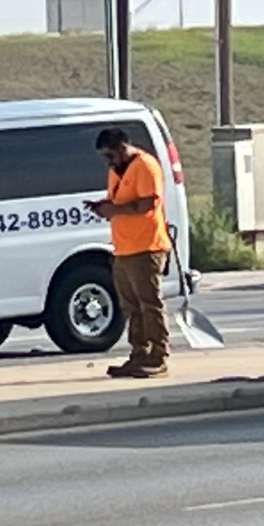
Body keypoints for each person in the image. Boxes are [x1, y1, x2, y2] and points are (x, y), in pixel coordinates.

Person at [87, 127, 173, 378]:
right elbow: (119, 202)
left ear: (123, 147)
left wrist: (115, 210)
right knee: (131, 306)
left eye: (111, 155)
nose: (108, 161)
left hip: (146, 246)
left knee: (150, 303)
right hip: (123, 248)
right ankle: (139, 354)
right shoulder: (116, 171)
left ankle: (158, 356)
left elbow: (148, 204)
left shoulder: (145, 166)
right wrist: (104, 208)